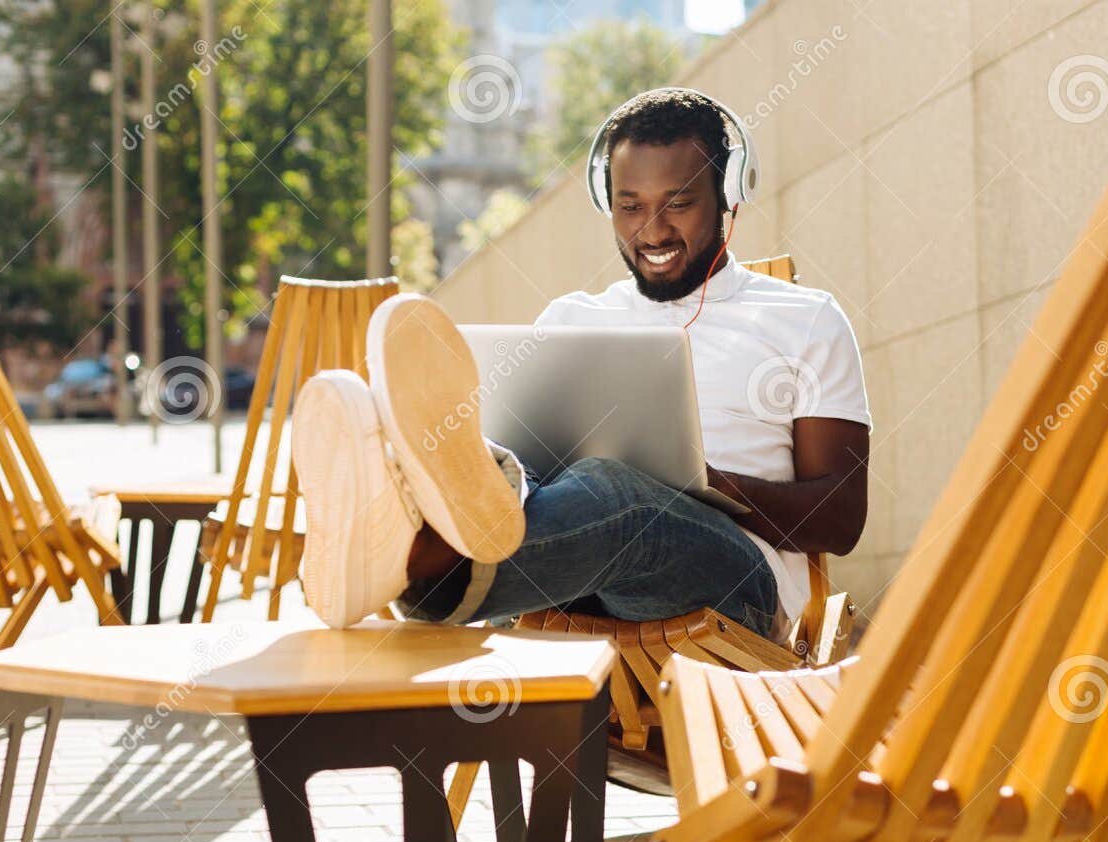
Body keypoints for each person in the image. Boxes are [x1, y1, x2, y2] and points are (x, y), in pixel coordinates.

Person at [292, 88, 871, 641]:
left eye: (680, 203)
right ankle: (403, 515)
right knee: (515, 472)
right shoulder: (571, 318)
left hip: (737, 586)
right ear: (607, 202)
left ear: (729, 193)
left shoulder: (804, 319)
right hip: (576, 573)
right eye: (630, 207)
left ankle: (414, 565)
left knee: (613, 489)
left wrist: (704, 484)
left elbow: (840, 521)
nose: (652, 230)